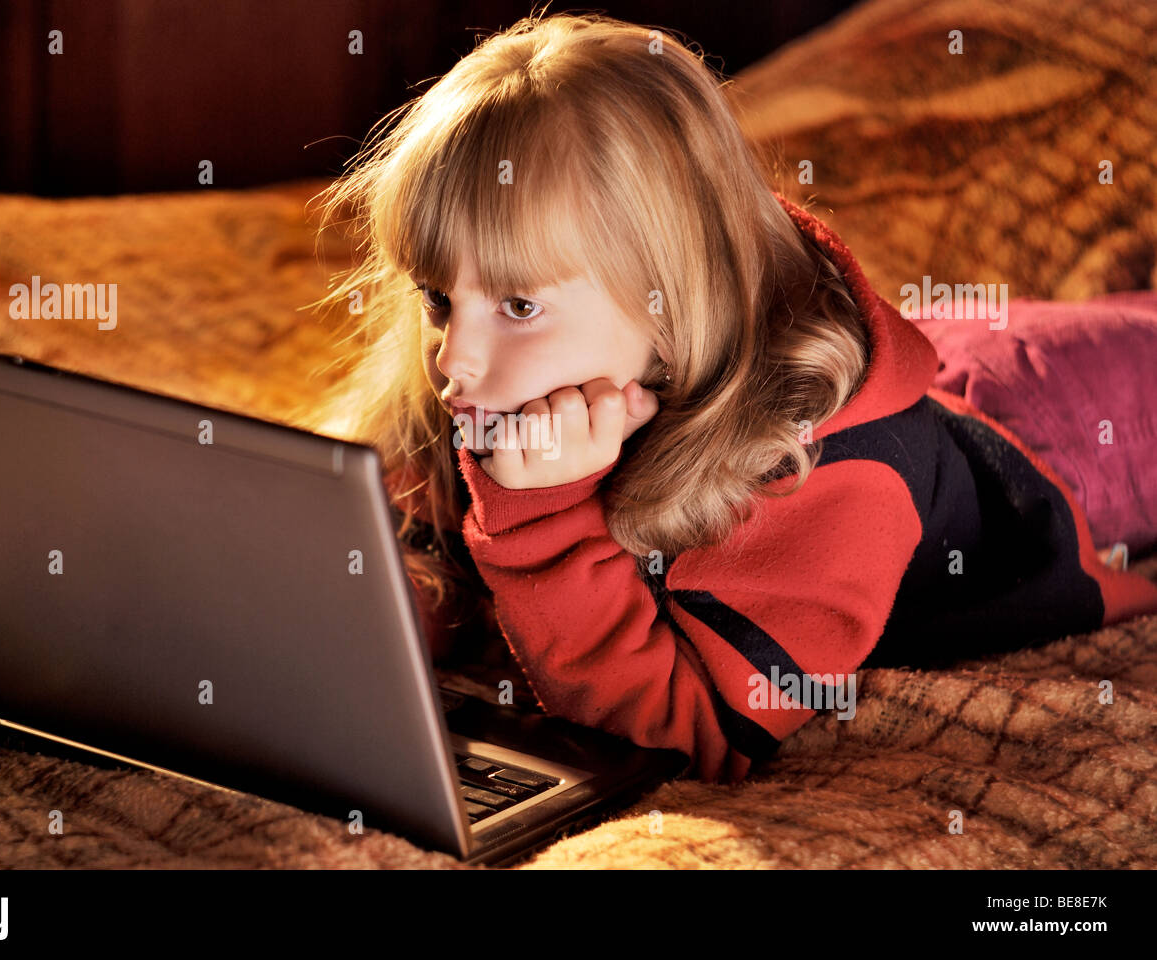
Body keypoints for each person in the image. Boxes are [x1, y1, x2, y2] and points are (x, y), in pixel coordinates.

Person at [296, 9, 1157, 783]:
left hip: (1060, 445)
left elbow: (700, 735)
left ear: (669, 301)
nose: (456, 360)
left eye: (520, 305)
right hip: (929, 367)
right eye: (438, 298)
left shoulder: (825, 476)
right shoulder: (494, 362)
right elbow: (412, 533)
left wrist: (540, 521)